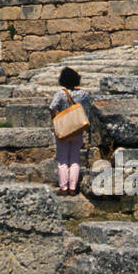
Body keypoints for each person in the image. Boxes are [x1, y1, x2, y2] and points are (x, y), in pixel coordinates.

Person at [50, 67, 91, 195]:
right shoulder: (83, 94)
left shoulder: (60, 93)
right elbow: (89, 107)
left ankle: (64, 188)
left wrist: (55, 119)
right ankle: (73, 188)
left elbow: (52, 107)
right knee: (74, 159)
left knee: (62, 160)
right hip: (77, 129)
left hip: (63, 129)